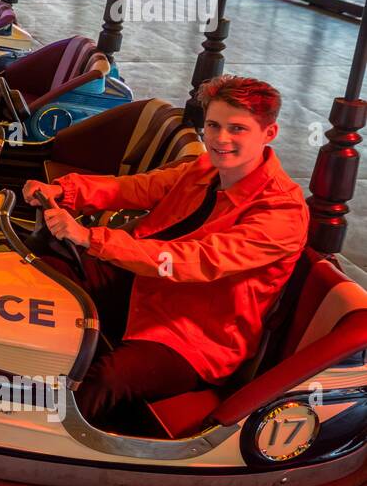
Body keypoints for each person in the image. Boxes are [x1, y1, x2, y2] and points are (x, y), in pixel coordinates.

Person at [22, 74, 308, 428]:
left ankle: (45, 440)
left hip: (196, 336)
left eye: (237, 129)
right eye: (213, 126)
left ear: (269, 134)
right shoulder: (205, 168)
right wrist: (64, 192)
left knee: (109, 379)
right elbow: (137, 188)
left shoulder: (282, 212)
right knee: (38, 276)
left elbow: (195, 260)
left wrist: (90, 237)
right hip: (144, 286)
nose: (220, 139)